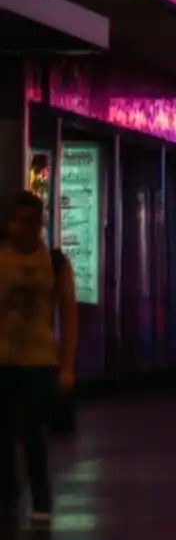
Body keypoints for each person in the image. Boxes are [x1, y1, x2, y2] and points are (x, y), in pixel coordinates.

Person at [0, 191, 77, 522]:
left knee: (33, 432)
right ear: (10, 223)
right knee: (3, 432)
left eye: (34, 223)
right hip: (3, 357)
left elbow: (69, 315)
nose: (28, 230)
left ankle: (41, 500)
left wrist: (67, 366)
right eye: (21, 222)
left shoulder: (56, 263)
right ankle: (8, 493)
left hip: (39, 358)